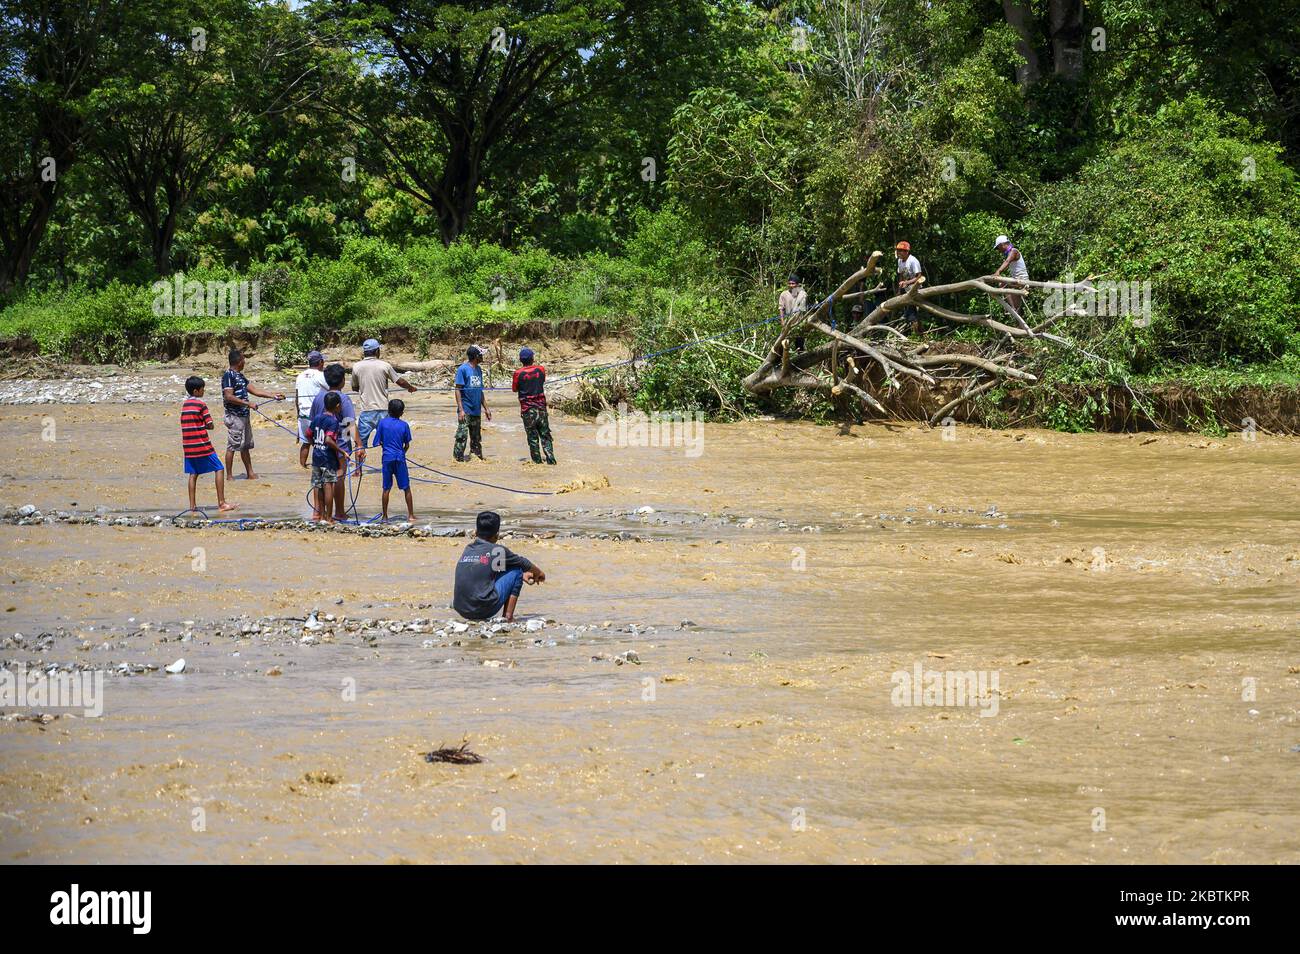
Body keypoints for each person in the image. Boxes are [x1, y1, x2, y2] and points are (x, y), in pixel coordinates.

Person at [452, 510, 545, 623]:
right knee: (517, 570)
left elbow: (493, 567)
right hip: (482, 609)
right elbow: (523, 563)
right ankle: (508, 617)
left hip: (462, 609)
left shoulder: (468, 549)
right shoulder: (497, 550)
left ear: (476, 532)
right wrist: (539, 573)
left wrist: (521, 576)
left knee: (514, 572)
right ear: (496, 535)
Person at [309, 363, 364, 521]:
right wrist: (359, 445)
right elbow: (349, 424)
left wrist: (314, 444)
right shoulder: (343, 399)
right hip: (338, 446)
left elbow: (312, 423)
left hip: (320, 447)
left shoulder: (319, 397)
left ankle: (317, 512)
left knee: (318, 481)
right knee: (338, 478)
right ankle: (338, 512)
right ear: (342, 381)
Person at [222, 348, 284, 479]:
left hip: (244, 415)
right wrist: (248, 404)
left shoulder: (240, 376)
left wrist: (273, 395)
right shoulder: (229, 375)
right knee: (232, 446)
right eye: (243, 359)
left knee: (245, 446)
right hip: (234, 416)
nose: (245, 361)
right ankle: (229, 476)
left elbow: (255, 391)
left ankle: (250, 474)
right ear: (239, 361)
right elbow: (228, 396)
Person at [181, 376, 235, 514]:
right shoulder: (201, 404)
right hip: (202, 444)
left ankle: (192, 507)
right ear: (196, 391)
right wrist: (209, 425)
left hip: (188, 446)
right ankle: (222, 503)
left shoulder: (185, 405)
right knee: (219, 468)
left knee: (193, 474)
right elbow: (209, 424)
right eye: (202, 389)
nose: (203, 391)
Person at [351, 338, 416, 446]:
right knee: (387, 442)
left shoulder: (356, 366)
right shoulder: (384, 365)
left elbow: (354, 388)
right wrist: (410, 387)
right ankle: (387, 462)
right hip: (384, 410)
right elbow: (400, 381)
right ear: (377, 351)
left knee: (360, 444)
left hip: (366, 410)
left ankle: (359, 463)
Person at [300, 391, 346, 523]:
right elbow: (329, 440)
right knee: (328, 486)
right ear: (337, 406)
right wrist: (342, 451)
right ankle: (329, 518)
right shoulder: (333, 421)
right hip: (328, 459)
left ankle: (320, 515)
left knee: (318, 486)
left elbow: (308, 434)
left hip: (316, 457)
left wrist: (314, 444)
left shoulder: (317, 418)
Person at [372, 398, 415, 523]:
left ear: (388, 410)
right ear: (402, 413)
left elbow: (377, 442)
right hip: (400, 458)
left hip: (387, 459)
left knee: (386, 488)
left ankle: (385, 516)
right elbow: (407, 445)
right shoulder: (404, 425)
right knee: (406, 487)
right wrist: (401, 453)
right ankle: (411, 515)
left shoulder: (382, 423)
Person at [511, 347, 556, 465]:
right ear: (532, 358)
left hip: (527, 410)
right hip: (541, 408)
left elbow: (515, 389)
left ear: (521, 360)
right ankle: (551, 460)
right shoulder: (541, 369)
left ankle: (537, 463)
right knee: (545, 435)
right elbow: (542, 381)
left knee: (532, 438)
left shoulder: (518, 373)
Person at [453, 345, 490, 462]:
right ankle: (457, 460)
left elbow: (480, 390)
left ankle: (476, 458)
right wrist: (461, 410)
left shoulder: (478, 369)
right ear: (475, 356)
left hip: (476, 410)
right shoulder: (462, 369)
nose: (482, 357)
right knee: (461, 436)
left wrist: (486, 408)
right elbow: (458, 389)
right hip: (466, 409)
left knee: (476, 438)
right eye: (481, 355)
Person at [993, 234, 1030, 320]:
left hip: (1022, 281)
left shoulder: (1014, 251)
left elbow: (1007, 262)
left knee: (1002, 283)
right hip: (1016, 281)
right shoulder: (1010, 252)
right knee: (1018, 311)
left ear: (1002, 244)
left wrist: (998, 271)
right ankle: (1015, 312)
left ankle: (1012, 308)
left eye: (998, 248)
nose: (998, 250)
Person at [295, 350, 327, 444]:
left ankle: (302, 460)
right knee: (322, 444)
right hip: (317, 415)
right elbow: (332, 391)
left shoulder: (300, 376)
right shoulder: (321, 375)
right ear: (321, 362)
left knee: (305, 444)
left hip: (303, 415)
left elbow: (297, 398)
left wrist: (298, 416)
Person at [894, 241, 924, 334]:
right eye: (898, 251)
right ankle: (917, 333)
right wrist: (900, 290)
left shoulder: (913, 261)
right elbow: (901, 275)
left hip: (915, 290)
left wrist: (907, 282)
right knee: (908, 313)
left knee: (912, 314)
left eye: (902, 251)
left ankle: (917, 334)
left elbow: (919, 276)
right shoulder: (899, 261)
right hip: (906, 290)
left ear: (907, 252)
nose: (899, 253)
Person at [779, 274, 808, 351]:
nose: (791, 285)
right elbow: (781, 308)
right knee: (783, 345)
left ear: (797, 284)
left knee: (799, 346)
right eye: (789, 283)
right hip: (788, 323)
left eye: (793, 283)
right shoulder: (783, 294)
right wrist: (782, 322)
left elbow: (803, 309)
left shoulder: (802, 294)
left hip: (799, 323)